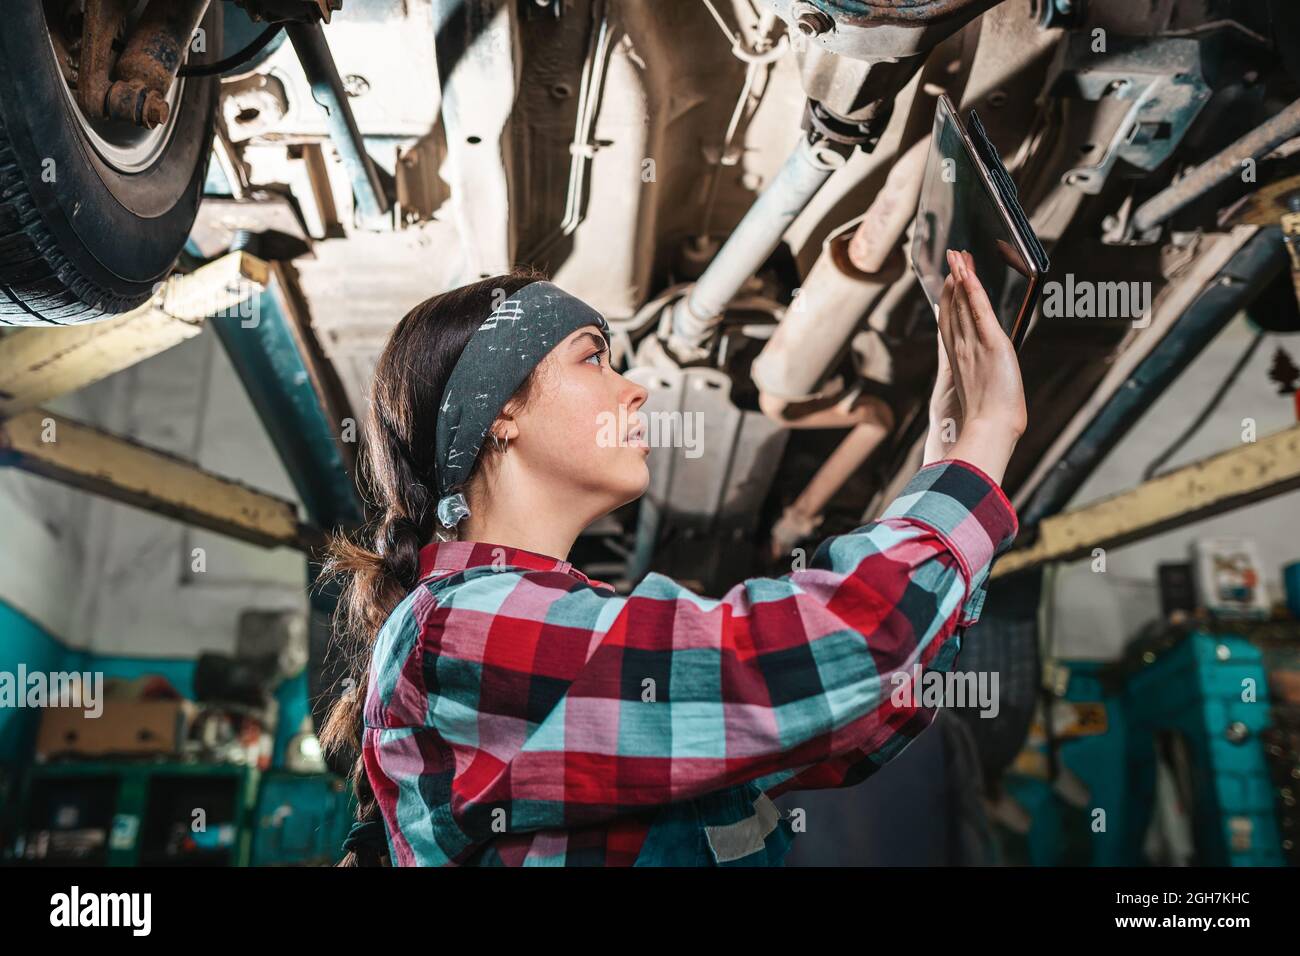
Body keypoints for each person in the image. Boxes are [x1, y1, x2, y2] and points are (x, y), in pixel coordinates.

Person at [322, 249, 1026, 866]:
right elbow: (838, 648)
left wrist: (949, 468)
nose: (635, 386)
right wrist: (980, 453)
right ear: (499, 411)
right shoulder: (463, 627)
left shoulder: (502, 622)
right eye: (593, 356)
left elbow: (856, 710)